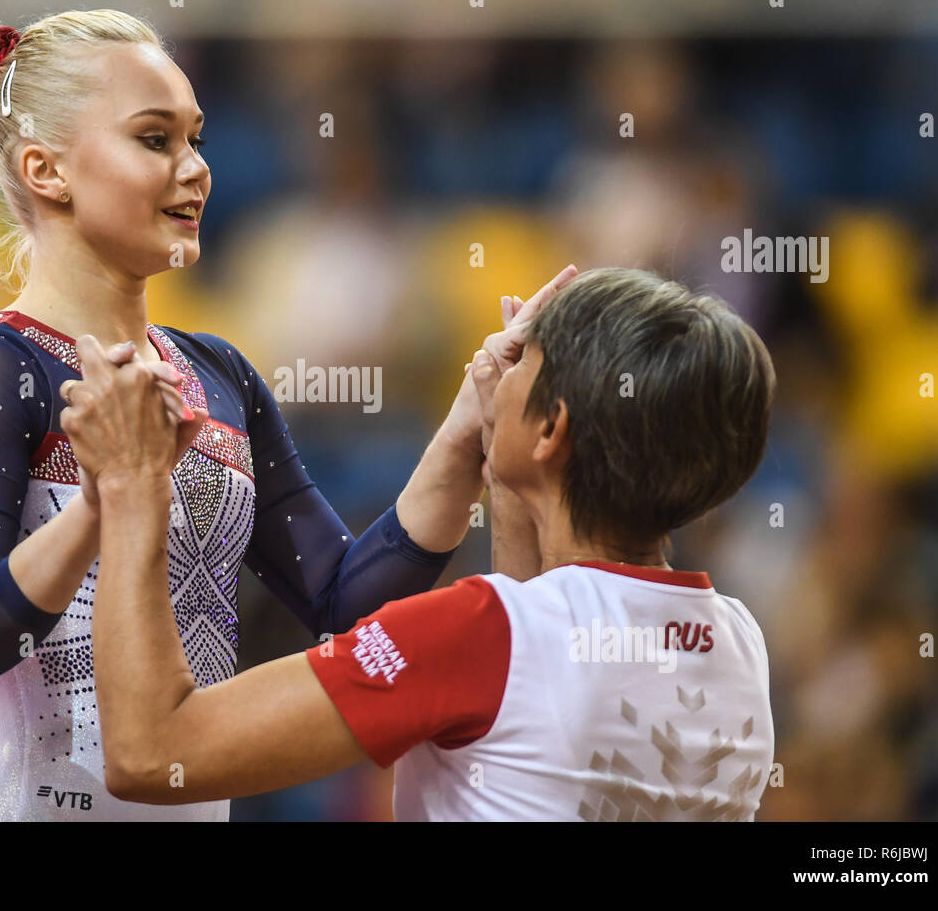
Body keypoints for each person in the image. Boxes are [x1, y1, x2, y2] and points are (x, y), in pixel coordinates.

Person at [0, 7, 568, 820]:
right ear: (47, 171)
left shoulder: (218, 373)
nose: (194, 170)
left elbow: (343, 606)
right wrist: (105, 502)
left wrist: (467, 427)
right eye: (155, 140)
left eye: (197, 141)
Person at [64, 267, 778, 821]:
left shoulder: (477, 635)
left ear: (553, 430)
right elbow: (532, 697)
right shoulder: (741, 642)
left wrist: (131, 484)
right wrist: (505, 451)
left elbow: (152, 754)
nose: (500, 369)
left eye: (526, 362)